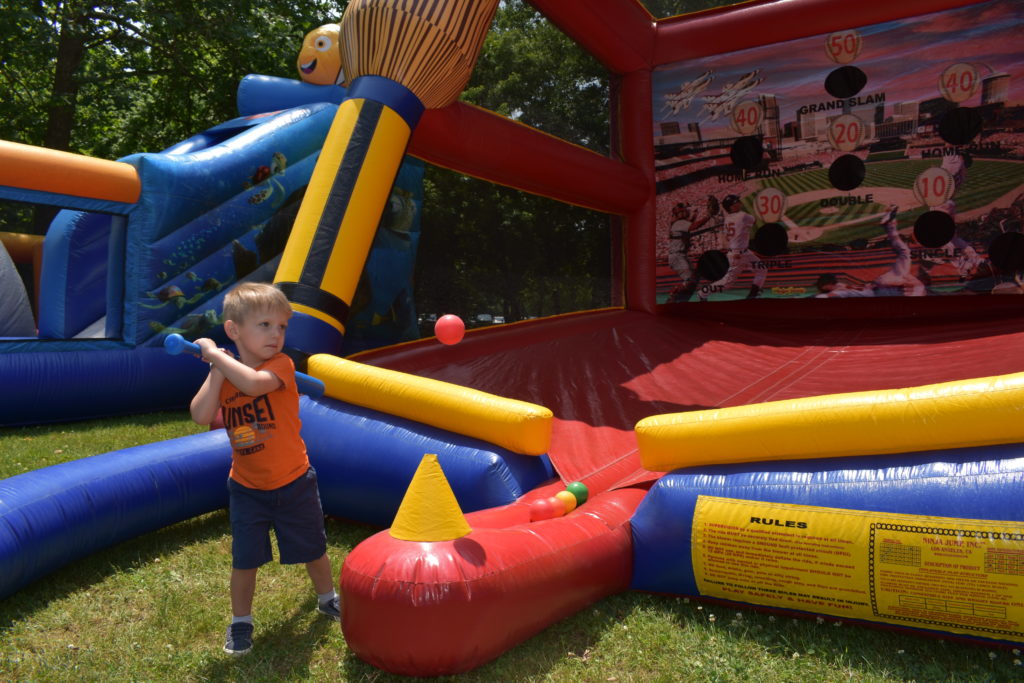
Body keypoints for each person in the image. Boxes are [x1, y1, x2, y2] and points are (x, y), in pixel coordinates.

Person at [189, 282, 339, 656]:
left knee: (313, 548)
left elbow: (255, 386)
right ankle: (241, 622)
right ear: (234, 330)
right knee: (246, 559)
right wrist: (216, 369)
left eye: (282, 327)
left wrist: (214, 355)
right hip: (247, 487)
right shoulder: (225, 373)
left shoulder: (281, 365)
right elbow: (200, 415)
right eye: (265, 325)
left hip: (294, 481)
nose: (277, 334)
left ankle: (327, 597)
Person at [697, 194, 766, 301]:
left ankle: (753, 295)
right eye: (736, 201)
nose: (739, 202)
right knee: (727, 283)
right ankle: (703, 293)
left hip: (741, 252)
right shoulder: (743, 215)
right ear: (731, 207)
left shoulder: (727, 218)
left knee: (762, 269)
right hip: (738, 254)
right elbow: (755, 221)